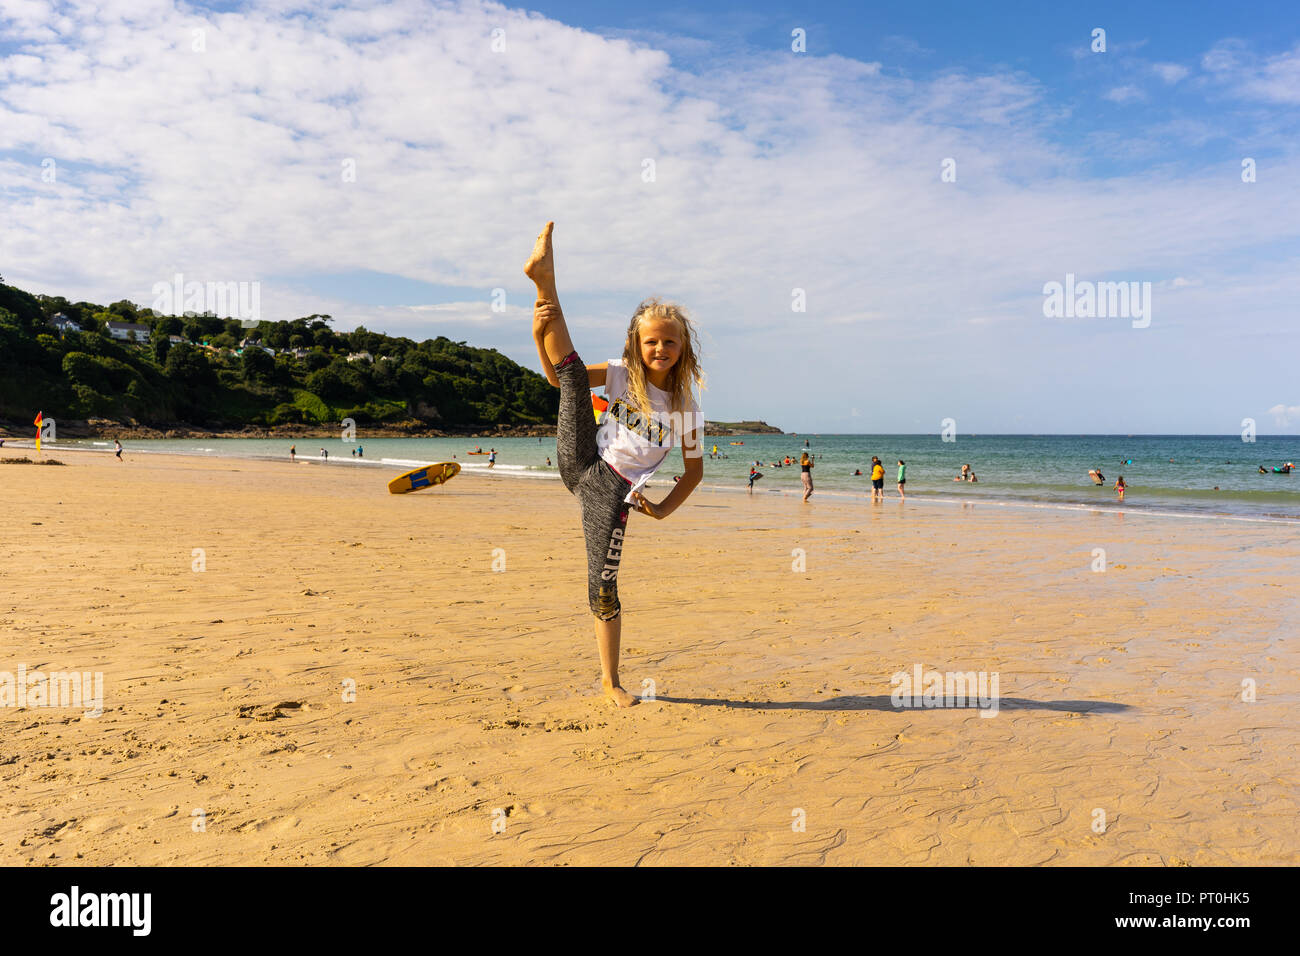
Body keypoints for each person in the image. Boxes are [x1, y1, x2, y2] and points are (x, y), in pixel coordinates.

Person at [526, 221, 703, 709]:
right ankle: (545, 280)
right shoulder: (623, 376)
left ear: (681, 348)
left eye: (669, 343)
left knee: (602, 587)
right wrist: (538, 334)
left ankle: (609, 680)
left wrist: (663, 510)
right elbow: (564, 382)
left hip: (612, 492)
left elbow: (694, 472)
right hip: (582, 459)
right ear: (636, 343)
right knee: (575, 375)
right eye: (651, 342)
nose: (660, 350)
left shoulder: (685, 408)